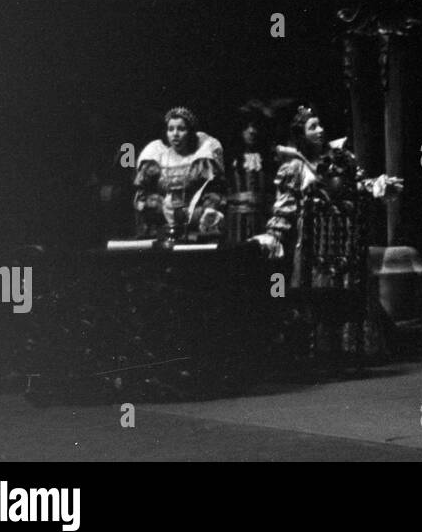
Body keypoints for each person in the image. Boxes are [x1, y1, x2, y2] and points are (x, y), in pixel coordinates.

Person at [253, 109, 401, 366]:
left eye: (320, 124)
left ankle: (352, 346)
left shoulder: (341, 157)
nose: (320, 130)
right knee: (316, 286)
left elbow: (359, 184)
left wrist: (378, 186)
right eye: (312, 127)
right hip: (313, 237)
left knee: (347, 284)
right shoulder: (294, 166)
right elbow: (285, 204)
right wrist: (275, 233)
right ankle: (318, 348)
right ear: (302, 134)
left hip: (345, 233)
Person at [132, 106, 226, 243]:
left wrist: (206, 211)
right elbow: (143, 195)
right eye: (171, 129)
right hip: (164, 226)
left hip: (194, 224)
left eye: (181, 129)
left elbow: (213, 192)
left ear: (190, 132)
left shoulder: (199, 158)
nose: (175, 134)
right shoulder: (158, 156)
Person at [227, 103, 274, 247]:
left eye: (255, 127)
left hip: (264, 221)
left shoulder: (270, 159)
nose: (252, 131)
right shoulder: (229, 159)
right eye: (246, 127)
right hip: (236, 222)